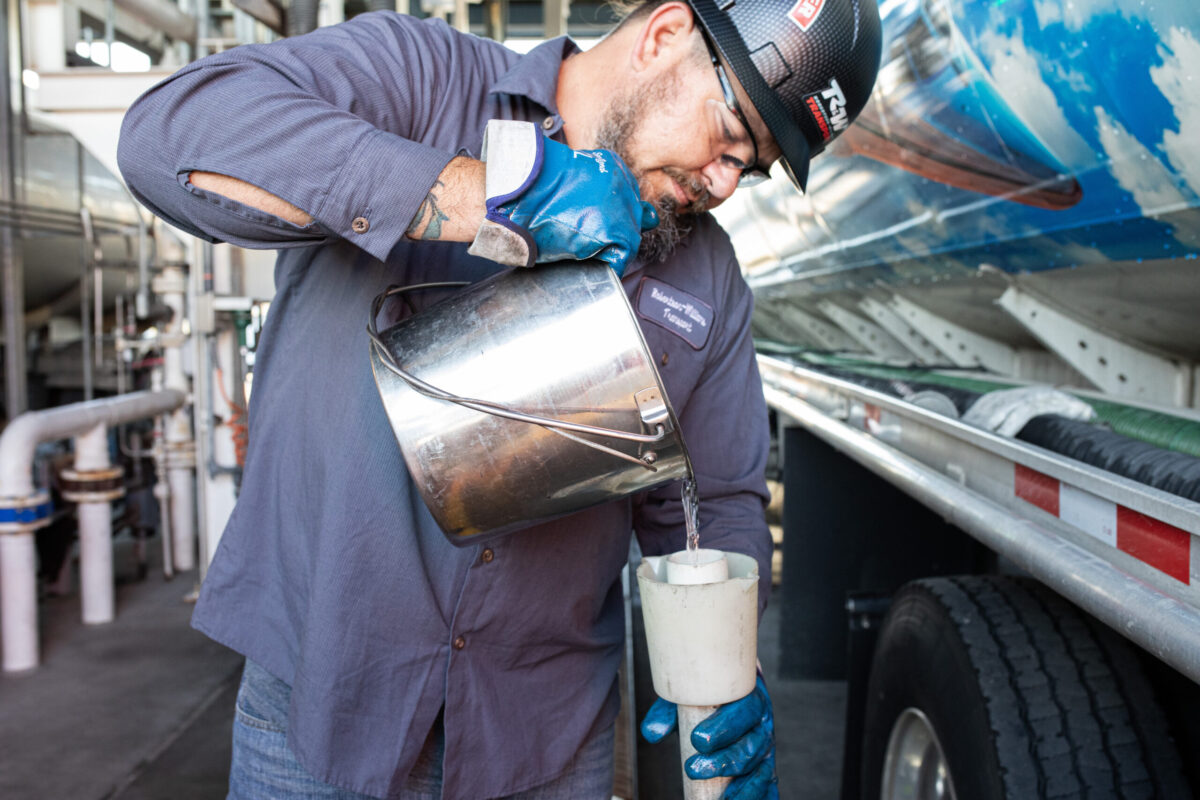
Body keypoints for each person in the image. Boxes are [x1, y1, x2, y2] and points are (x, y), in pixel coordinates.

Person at [117, 0, 881, 797]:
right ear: (662, 36)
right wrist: (498, 196)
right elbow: (171, 134)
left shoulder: (707, 275)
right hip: (321, 710)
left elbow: (712, 503)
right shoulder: (421, 83)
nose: (723, 182)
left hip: (544, 744)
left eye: (749, 169)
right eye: (729, 137)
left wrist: (729, 669)